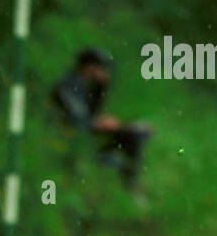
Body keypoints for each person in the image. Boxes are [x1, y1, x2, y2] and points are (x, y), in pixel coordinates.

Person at [51, 47, 152, 190]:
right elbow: (78, 118)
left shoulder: (87, 86)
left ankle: (129, 181)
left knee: (136, 133)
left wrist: (102, 88)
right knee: (131, 134)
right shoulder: (68, 85)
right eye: (101, 68)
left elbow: (93, 113)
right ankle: (128, 183)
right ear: (90, 67)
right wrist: (102, 123)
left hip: (83, 133)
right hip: (71, 135)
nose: (104, 73)